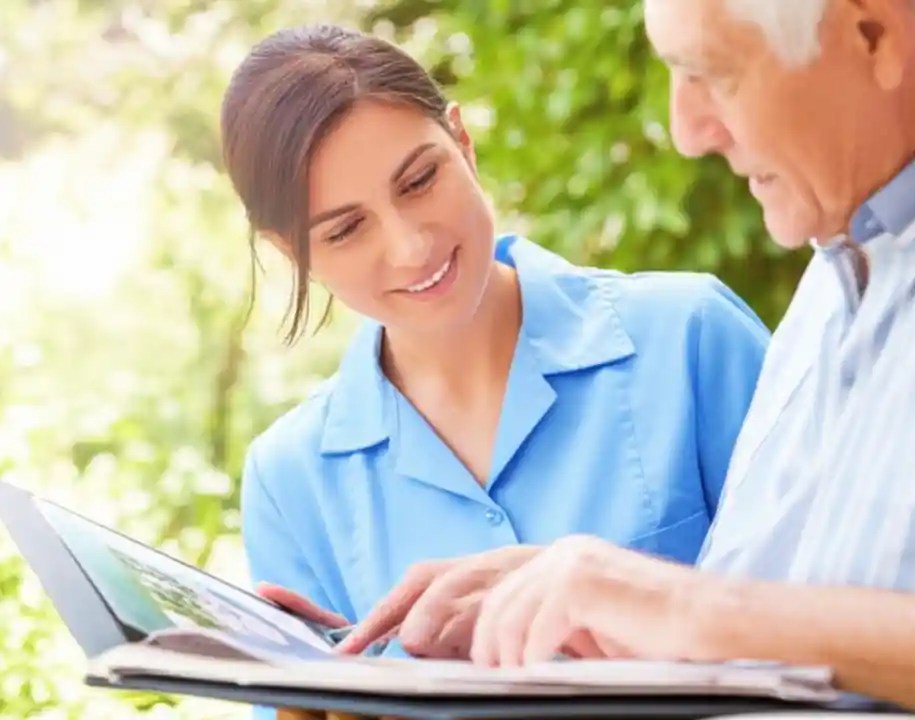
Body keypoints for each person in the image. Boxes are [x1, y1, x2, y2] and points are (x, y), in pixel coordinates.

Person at [334, 1, 915, 717]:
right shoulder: (842, 270)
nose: (687, 129)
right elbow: (797, 635)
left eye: (712, 74)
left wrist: (689, 608)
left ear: (872, 33)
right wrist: (602, 600)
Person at [220, 23, 768, 667]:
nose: (410, 246)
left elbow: (840, 616)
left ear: (463, 143)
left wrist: (610, 592)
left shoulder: (690, 339)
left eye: (420, 180)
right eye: (346, 230)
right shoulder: (291, 478)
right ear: (293, 252)